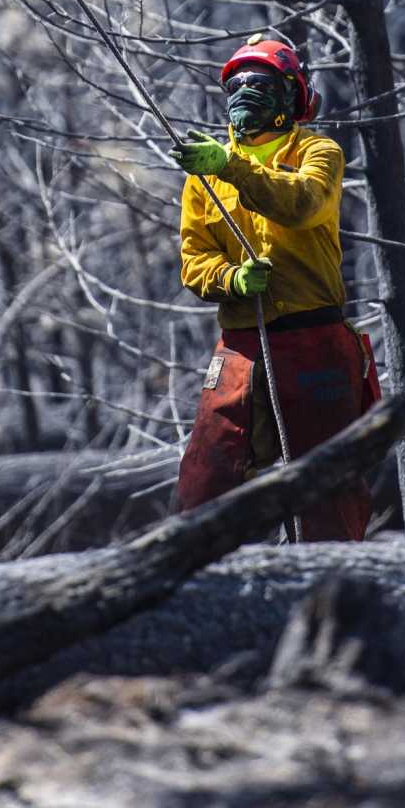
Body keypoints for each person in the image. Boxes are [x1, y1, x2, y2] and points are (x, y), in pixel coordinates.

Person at [169, 35, 380, 541]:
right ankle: (199, 587)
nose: (245, 93)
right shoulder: (205, 172)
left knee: (326, 492)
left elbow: (302, 203)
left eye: (259, 84)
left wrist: (231, 167)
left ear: (292, 95)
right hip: (241, 348)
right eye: (237, 84)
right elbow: (194, 259)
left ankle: (333, 593)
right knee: (203, 484)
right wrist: (231, 279)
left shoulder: (317, 152)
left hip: (316, 346)